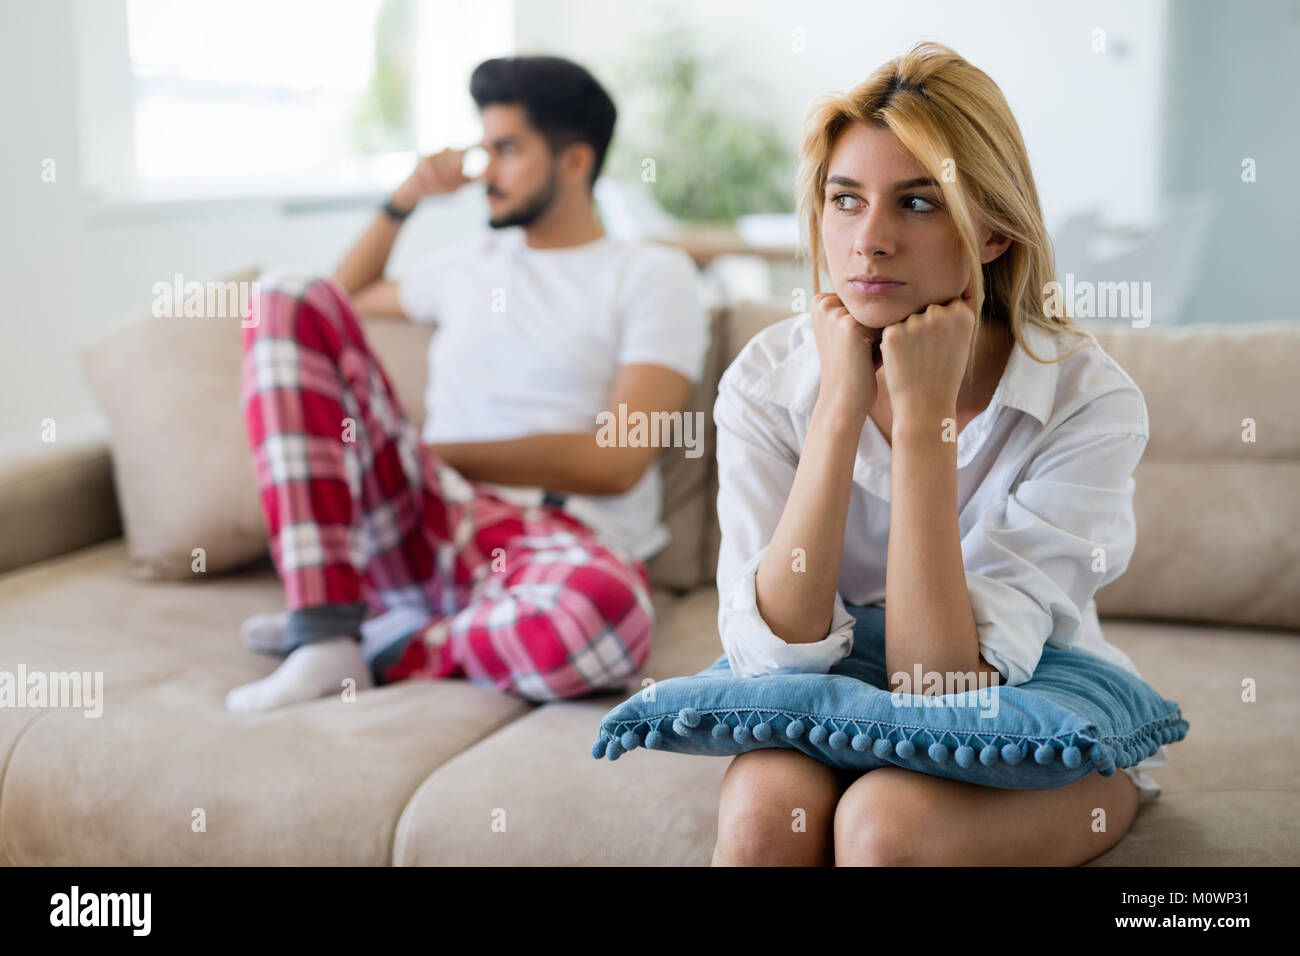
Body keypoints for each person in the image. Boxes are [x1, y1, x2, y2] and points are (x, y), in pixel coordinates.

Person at [709, 41, 1165, 866]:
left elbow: (940, 687)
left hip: (1029, 715)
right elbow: (772, 653)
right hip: (836, 695)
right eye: (845, 201)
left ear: (992, 230)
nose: (869, 241)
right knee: (762, 816)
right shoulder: (768, 381)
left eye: (917, 205)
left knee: (884, 826)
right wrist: (841, 405)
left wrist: (923, 422)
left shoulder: (1087, 402)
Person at [227, 55, 709, 712]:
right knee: (282, 291)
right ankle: (328, 631)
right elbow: (336, 302)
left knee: (604, 617)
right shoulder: (467, 265)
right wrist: (405, 199)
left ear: (574, 162)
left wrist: (440, 454)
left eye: (506, 150)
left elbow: (617, 460)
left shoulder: (652, 274)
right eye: (483, 148)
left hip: (558, 541)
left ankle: (382, 639)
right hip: (426, 517)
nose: (485, 171)